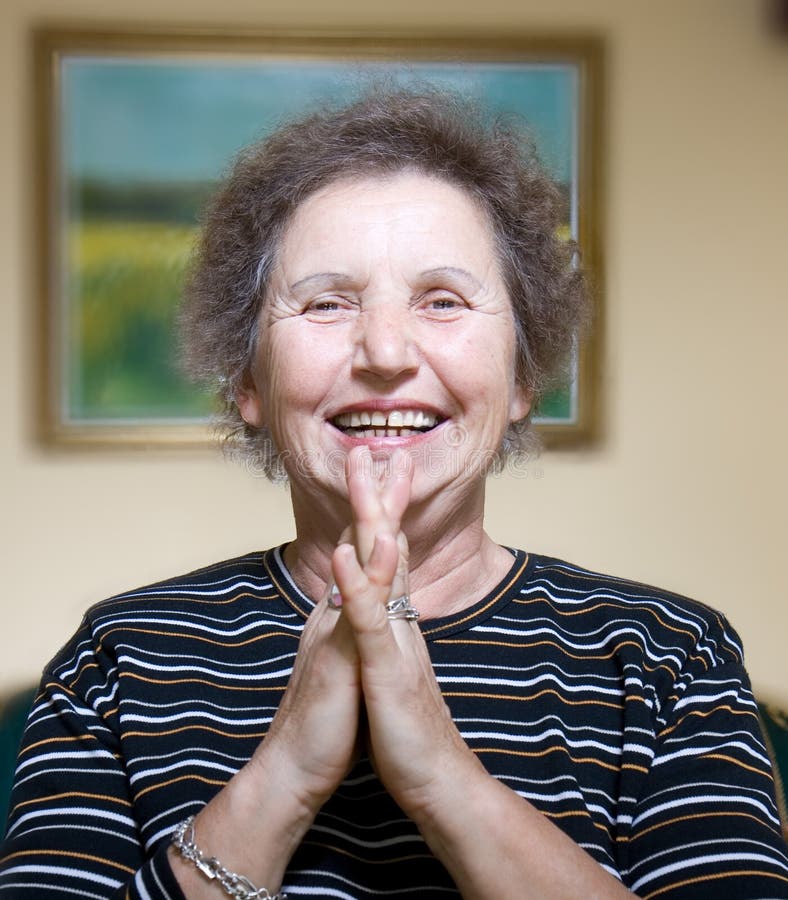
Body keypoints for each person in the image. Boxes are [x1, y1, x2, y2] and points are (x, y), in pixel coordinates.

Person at [2, 89, 787, 900]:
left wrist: (445, 780)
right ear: (247, 381)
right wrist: (285, 775)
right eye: (326, 303)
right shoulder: (118, 660)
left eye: (443, 301)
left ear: (522, 375)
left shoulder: (670, 659)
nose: (384, 352)